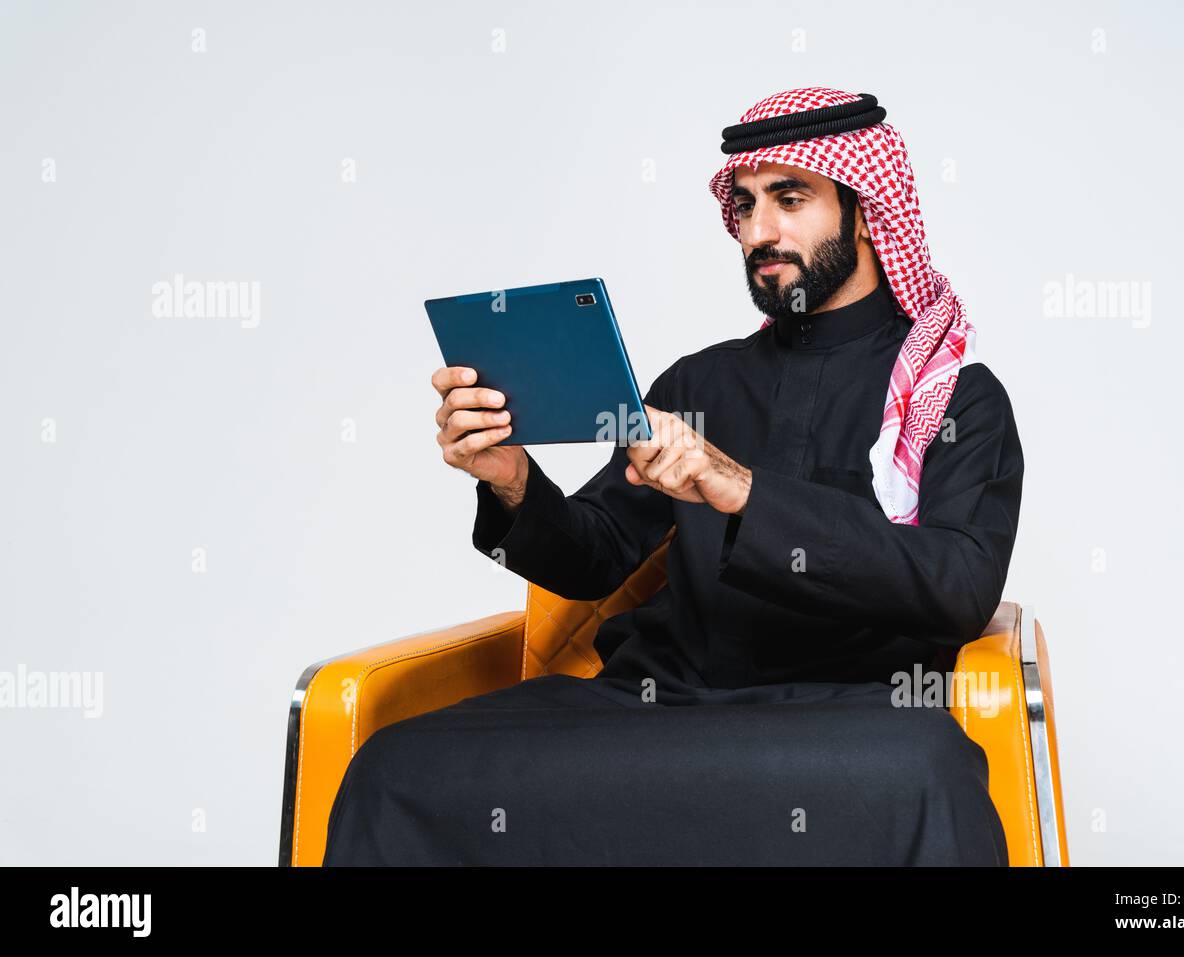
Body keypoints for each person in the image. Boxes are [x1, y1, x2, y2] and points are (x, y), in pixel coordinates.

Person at [322, 87, 1023, 866]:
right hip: (658, 705)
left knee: (925, 772)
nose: (760, 231)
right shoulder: (698, 384)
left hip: (848, 714)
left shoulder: (956, 394)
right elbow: (591, 557)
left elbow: (960, 584)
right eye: (747, 205)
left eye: (792, 199)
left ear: (866, 211)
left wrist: (744, 491)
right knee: (392, 768)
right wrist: (511, 479)